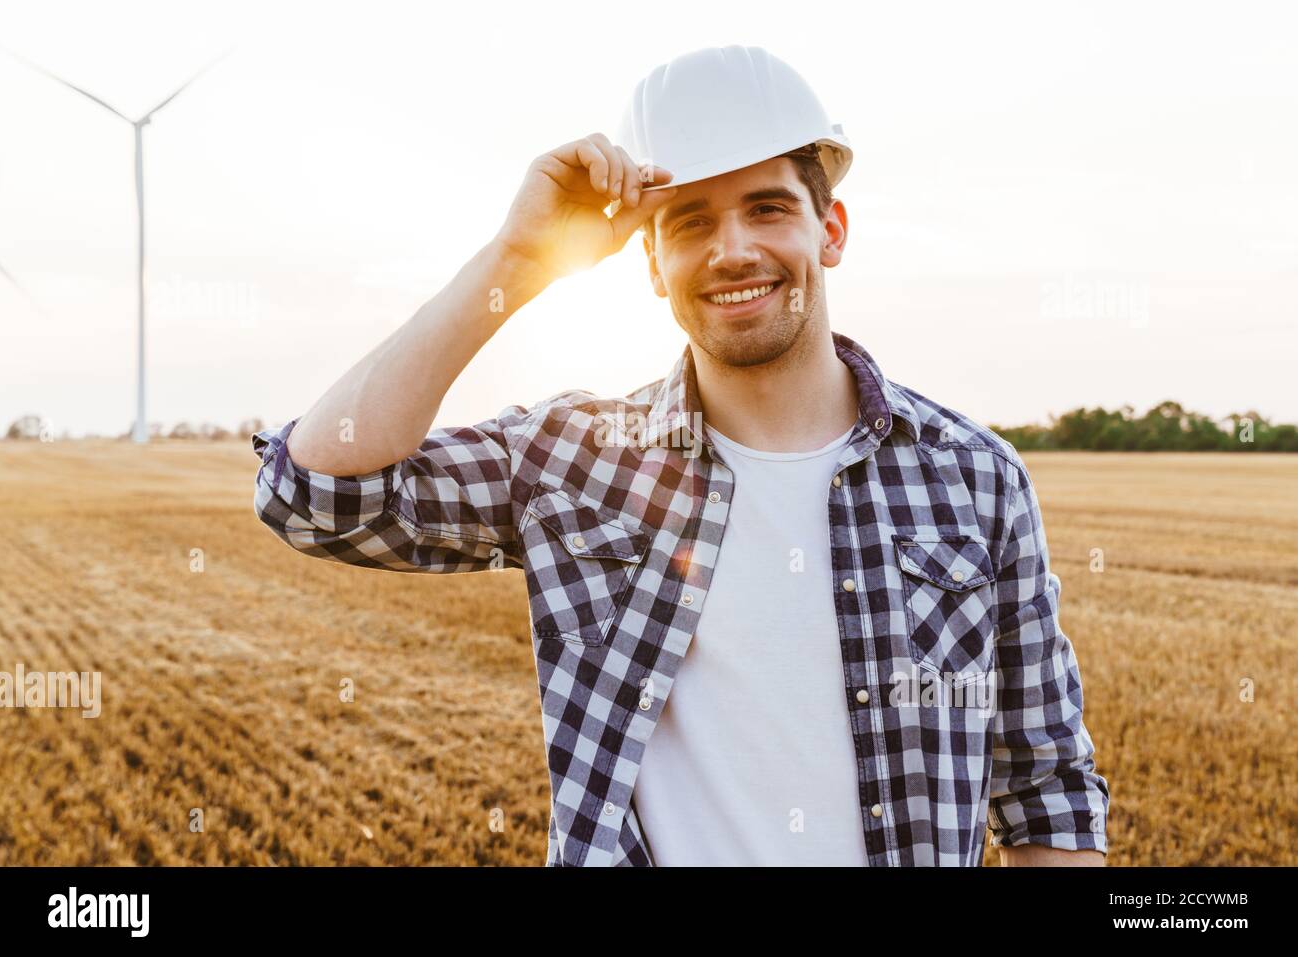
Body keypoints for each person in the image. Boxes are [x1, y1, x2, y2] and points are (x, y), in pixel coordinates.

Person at [251, 45, 1109, 866]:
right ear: (652, 265)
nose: (733, 249)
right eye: (691, 221)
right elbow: (315, 489)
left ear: (831, 230)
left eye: (768, 208)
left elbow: (1047, 793)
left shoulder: (972, 477)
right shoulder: (574, 458)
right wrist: (518, 258)